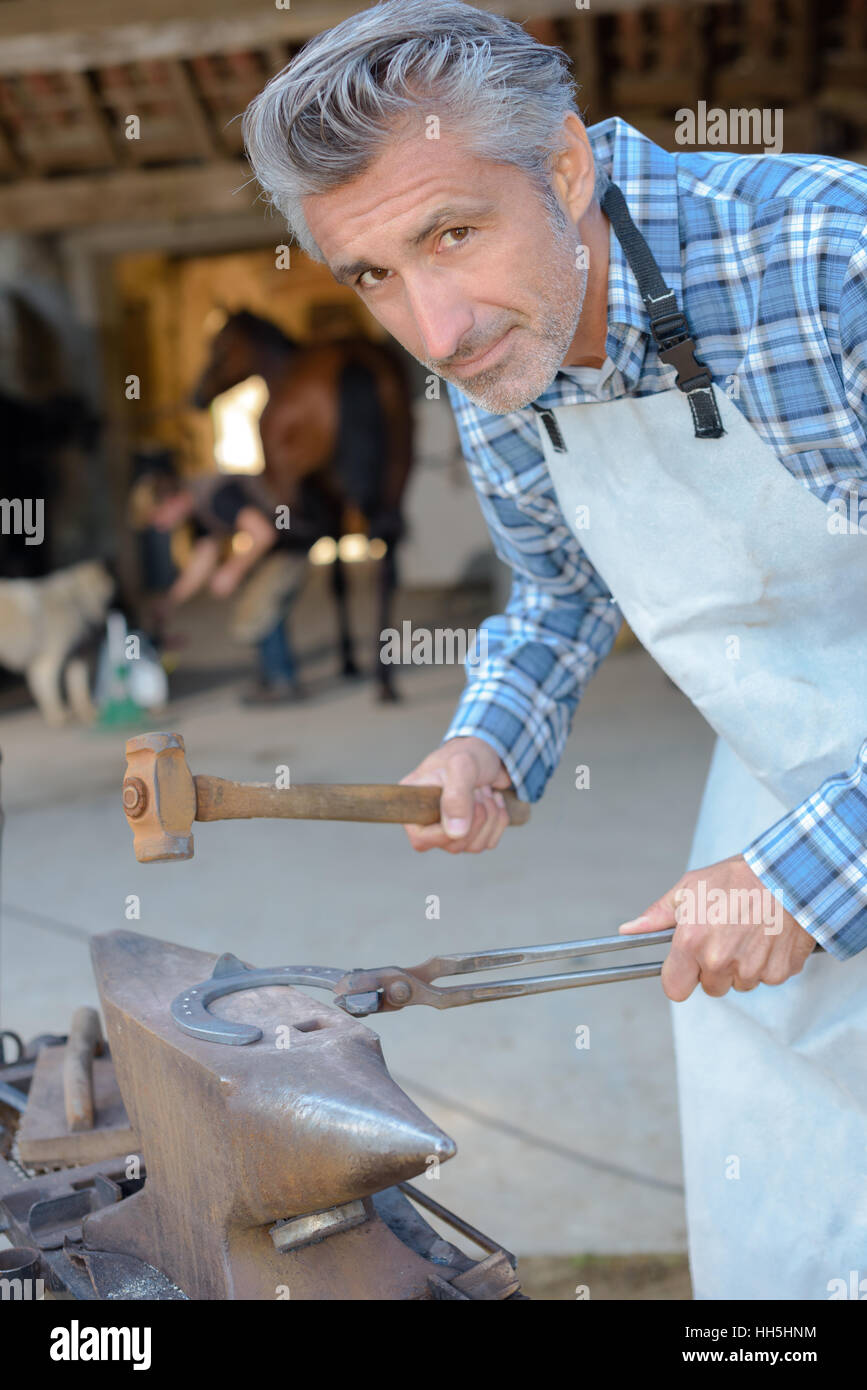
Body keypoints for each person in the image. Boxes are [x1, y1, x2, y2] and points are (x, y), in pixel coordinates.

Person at [241, 0, 867, 1298]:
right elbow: (555, 588)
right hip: (780, 764)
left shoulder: (823, 259)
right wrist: (487, 737)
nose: (433, 328)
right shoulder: (494, 357)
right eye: (374, 276)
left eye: (449, 234)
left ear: (566, 168)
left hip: (822, 804)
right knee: (784, 1146)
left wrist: (815, 867)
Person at [132, 471, 305, 704]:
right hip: (277, 549)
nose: (161, 527)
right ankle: (273, 675)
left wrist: (233, 569)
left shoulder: (217, 497)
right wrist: (171, 601)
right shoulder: (199, 508)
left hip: (293, 543)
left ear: (170, 500)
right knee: (259, 606)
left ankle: (282, 680)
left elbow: (264, 533)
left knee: (258, 609)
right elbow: (203, 559)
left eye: (158, 518)